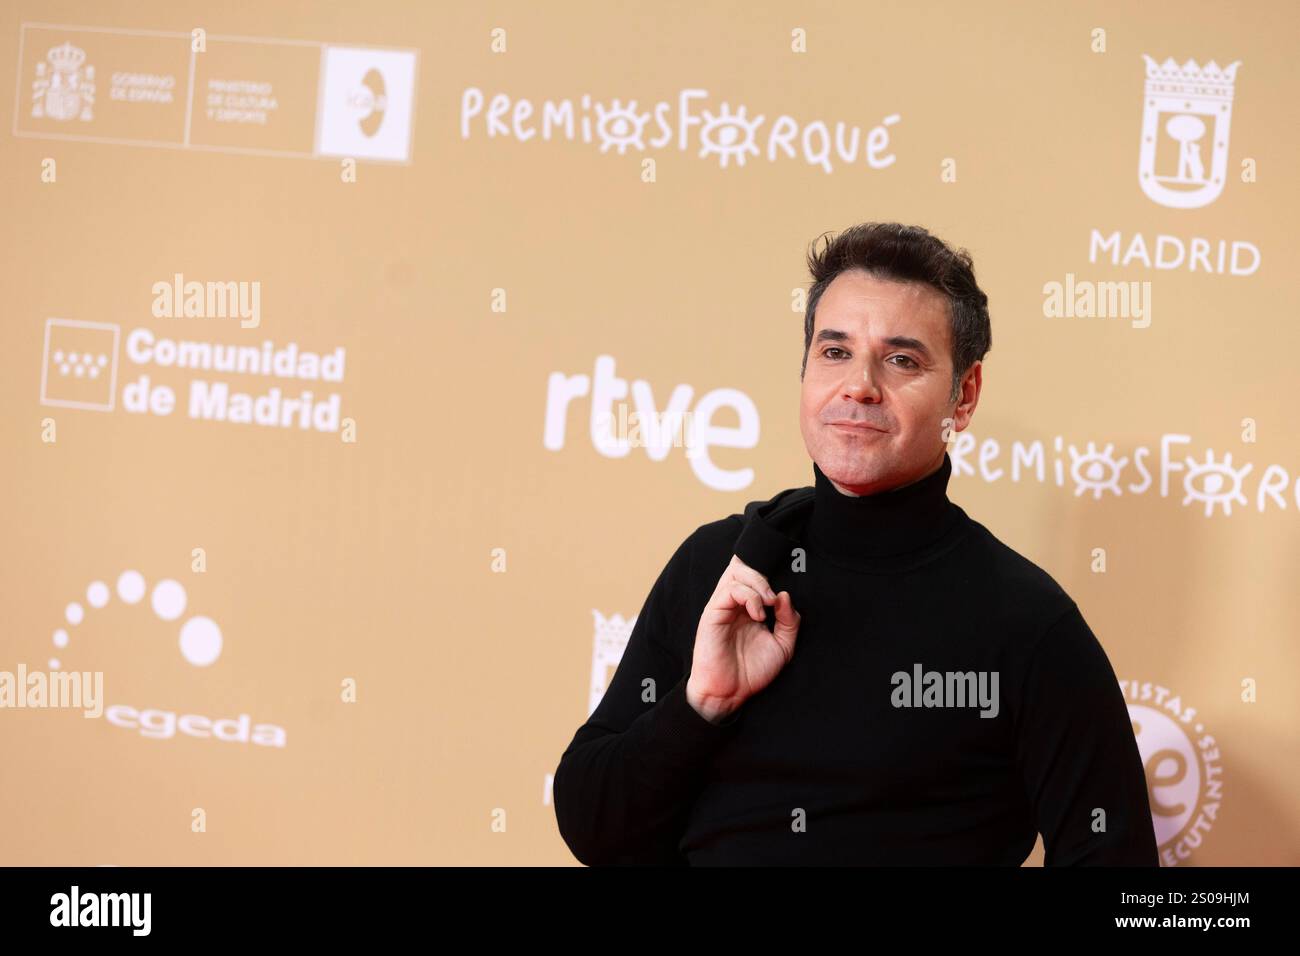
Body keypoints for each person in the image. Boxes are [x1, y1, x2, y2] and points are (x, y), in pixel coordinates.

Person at [552, 222, 1159, 866]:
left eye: (902, 360)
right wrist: (700, 703)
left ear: (965, 394)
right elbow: (594, 829)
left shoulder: (1029, 624)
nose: (859, 386)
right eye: (835, 351)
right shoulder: (719, 566)